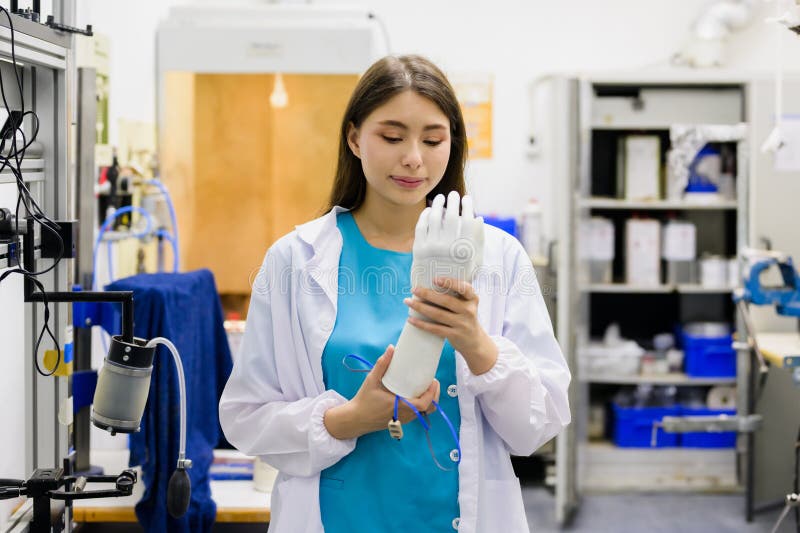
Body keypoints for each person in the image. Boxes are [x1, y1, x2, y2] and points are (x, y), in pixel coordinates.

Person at [219, 54, 571, 533]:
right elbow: (245, 417)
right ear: (353, 137)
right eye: (391, 136)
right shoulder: (295, 260)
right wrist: (349, 419)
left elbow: (539, 425)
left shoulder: (498, 257)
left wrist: (475, 342)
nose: (414, 158)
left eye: (433, 139)